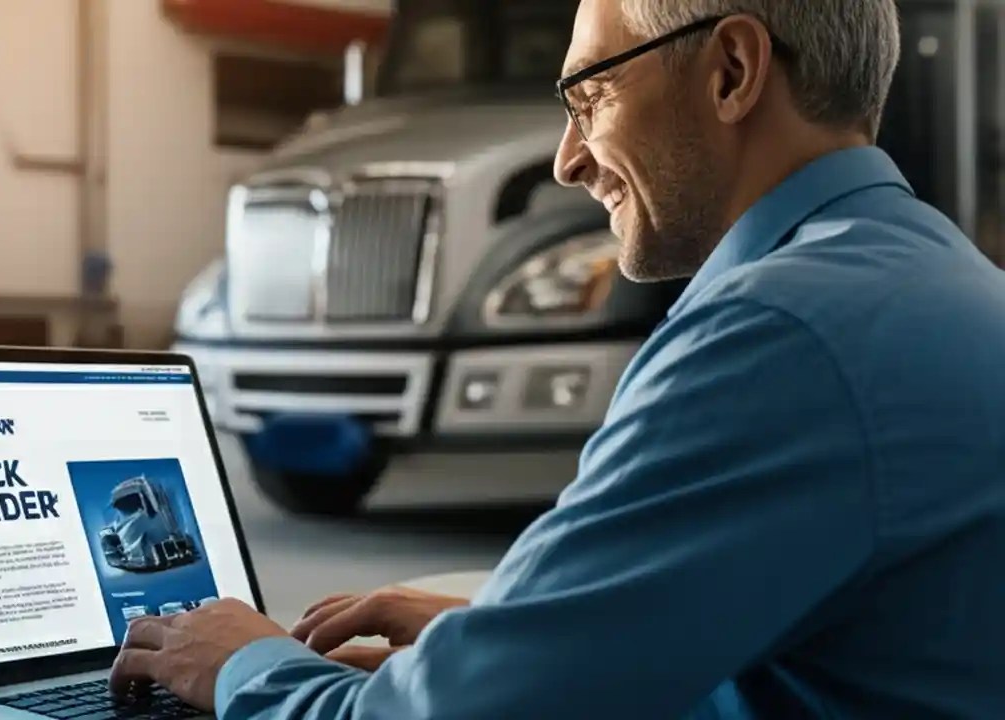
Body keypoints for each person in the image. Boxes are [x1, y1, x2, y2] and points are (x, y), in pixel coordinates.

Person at [110, 0, 1005, 716]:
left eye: (591, 95)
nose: (569, 161)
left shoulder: (770, 335)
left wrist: (245, 666)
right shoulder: (941, 278)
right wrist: (533, 633)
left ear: (731, 71)